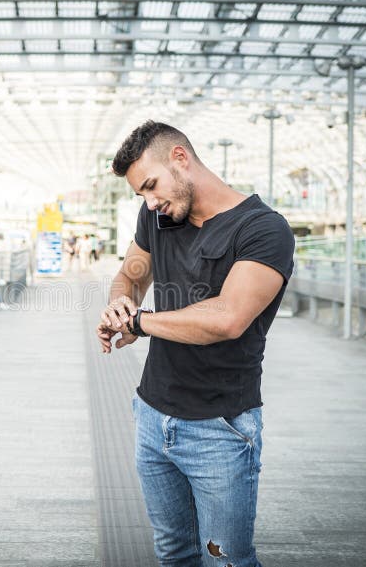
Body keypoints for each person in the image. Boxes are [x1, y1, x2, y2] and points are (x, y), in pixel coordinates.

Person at [95, 121, 294, 567]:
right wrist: (120, 306)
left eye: (151, 186)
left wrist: (141, 323)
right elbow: (130, 274)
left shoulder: (263, 229)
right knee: (173, 553)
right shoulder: (156, 216)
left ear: (180, 158)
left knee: (226, 560)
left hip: (220, 428)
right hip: (152, 415)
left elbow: (228, 318)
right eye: (141, 194)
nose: (150, 202)